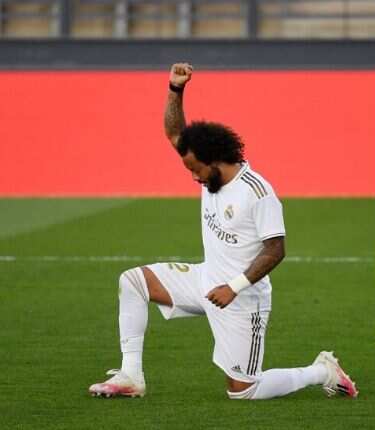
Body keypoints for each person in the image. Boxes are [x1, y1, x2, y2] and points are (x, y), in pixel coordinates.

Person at [88, 63, 358, 400]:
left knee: (243, 392)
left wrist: (234, 287)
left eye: (196, 169)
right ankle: (131, 376)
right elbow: (175, 134)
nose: (193, 177)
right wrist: (175, 89)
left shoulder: (257, 193)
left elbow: (276, 249)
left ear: (215, 159)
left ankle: (322, 370)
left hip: (242, 298)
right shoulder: (210, 175)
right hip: (204, 281)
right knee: (133, 281)